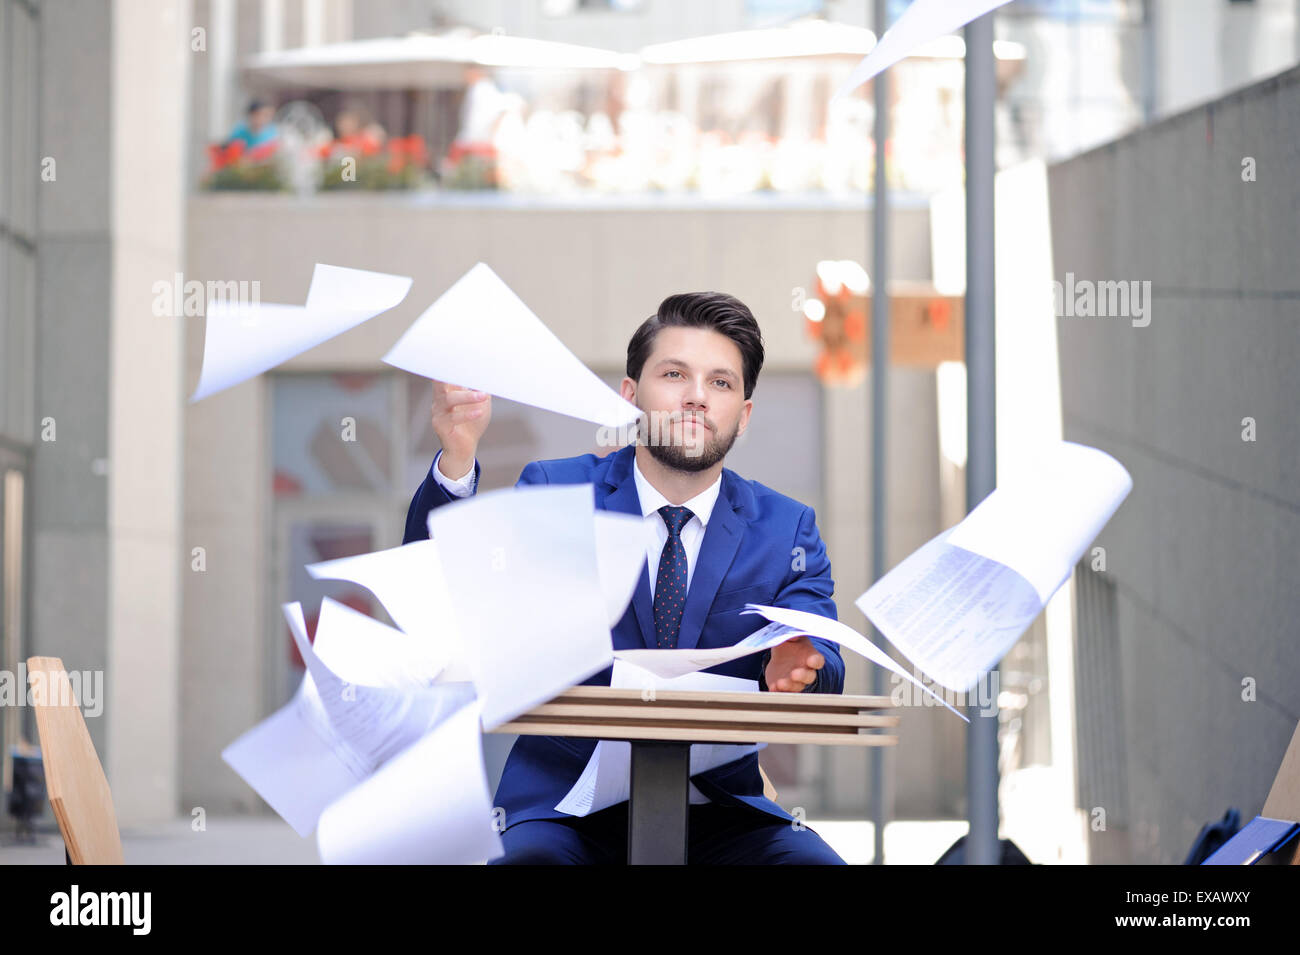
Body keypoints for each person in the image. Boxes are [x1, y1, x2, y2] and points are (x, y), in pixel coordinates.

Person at [402, 292, 847, 865]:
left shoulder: (785, 528)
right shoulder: (556, 494)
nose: (695, 396)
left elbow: (826, 660)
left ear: (744, 414)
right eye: (674, 374)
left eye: (721, 383)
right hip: (564, 806)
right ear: (631, 396)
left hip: (723, 812)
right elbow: (443, 603)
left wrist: (802, 665)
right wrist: (457, 460)